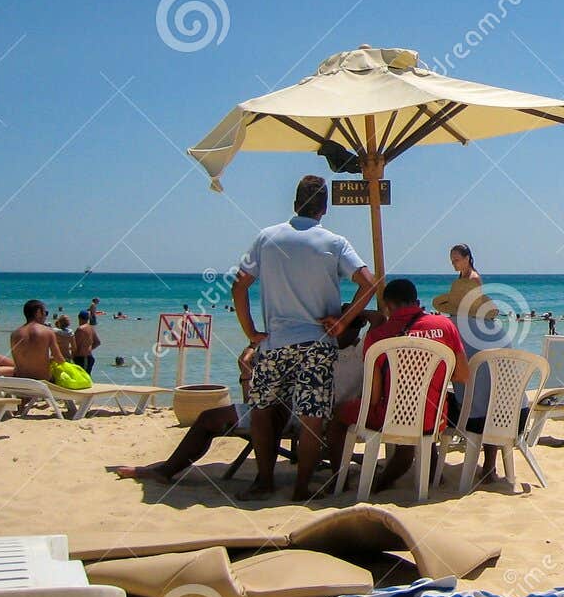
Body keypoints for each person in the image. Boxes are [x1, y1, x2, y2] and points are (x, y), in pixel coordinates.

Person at [233, 175, 378, 501]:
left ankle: (264, 481)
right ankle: (301, 487)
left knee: (261, 410)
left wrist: (250, 332)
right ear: (324, 208)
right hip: (317, 342)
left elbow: (239, 286)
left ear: (295, 203)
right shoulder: (335, 242)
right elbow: (369, 283)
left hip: (276, 341)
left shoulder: (266, 238)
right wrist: (343, 321)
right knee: (313, 415)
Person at [328, 278, 467, 493]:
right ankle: (397, 479)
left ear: (388, 306)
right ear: (417, 301)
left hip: (389, 417)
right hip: (432, 418)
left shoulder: (376, 336)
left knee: (337, 417)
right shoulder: (445, 326)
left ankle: (341, 482)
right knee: (421, 411)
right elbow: (462, 375)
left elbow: (374, 398)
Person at [111, 346, 258, 483]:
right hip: (266, 410)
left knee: (207, 419)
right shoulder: (272, 352)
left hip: (270, 413)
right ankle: (166, 470)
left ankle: (165, 471)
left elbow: (256, 401)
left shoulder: (275, 352)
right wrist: (246, 374)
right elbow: (250, 400)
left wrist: (246, 371)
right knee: (209, 419)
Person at [432, 243, 503, 423]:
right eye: (452, 261)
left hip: (471, 326)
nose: (454, 264)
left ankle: (469, 415)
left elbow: (475, 302)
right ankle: (468, 414)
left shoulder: (473, 278)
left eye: (456, 260)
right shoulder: (463, 278)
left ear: (467, 258)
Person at [10, 300, 64, 380]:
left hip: (21, 380)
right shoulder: (47, 331)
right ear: (38, 312)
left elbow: (19, 361)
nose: (46, 316)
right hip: (43, 382)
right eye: (45, 313)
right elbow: (59, 359)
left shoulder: (14, 335)